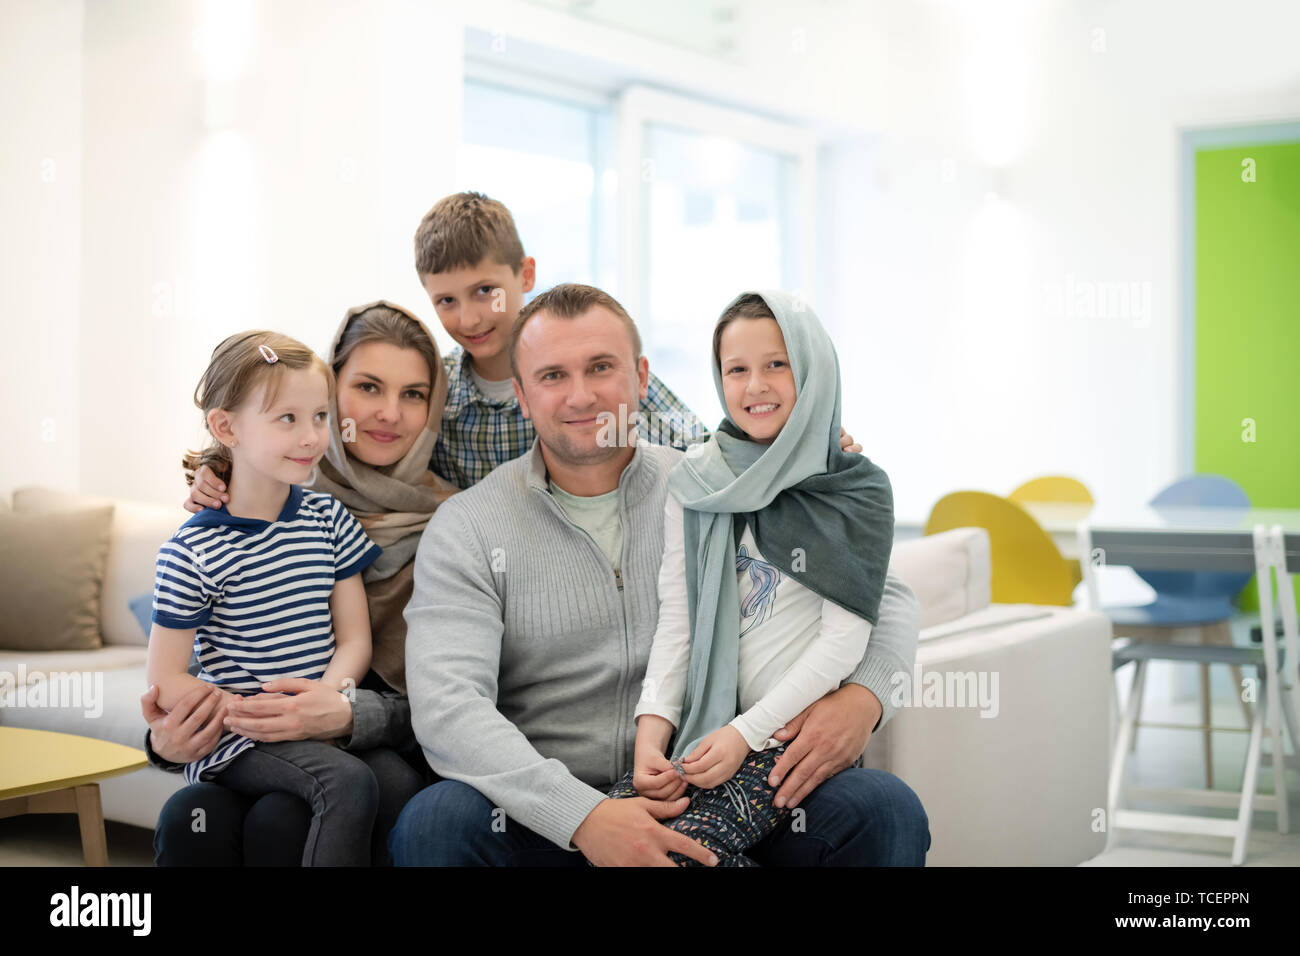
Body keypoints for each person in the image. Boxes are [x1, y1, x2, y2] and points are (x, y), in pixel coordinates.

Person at [391, 283, 929, 866]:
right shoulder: (468, 527)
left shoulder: (717, 484)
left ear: (642, 377)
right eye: (552, 376)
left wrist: (863, 698)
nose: (581, 395)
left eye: (601, 367)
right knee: (435, 822)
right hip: (547, 819)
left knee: (880, 804)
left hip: (711, 794)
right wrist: (584, 816)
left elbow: (887, 596)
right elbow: (449, 706)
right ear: (520, 395)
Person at [147, 304, 454, 865]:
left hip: (353, 725)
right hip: (249, 733)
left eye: (414, 394)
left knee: (381, 791)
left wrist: (333, 701)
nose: (312, 436)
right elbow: (169, 680)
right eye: (366, 387)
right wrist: (183, 733)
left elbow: (359, 645)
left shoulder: (450, 519)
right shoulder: (205, 537)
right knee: (195, 818)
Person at [607, 289, 894, 866]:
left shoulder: (854, 490)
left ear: (812, 372)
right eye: (736, 369)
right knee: (609, 841)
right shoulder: (697, 480)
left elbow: (844, 642)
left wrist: (747, 733)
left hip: (788, 735)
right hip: (702, 732)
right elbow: (679, 624)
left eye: (776, 365)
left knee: (668, 856)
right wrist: (650, 736)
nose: (755, 385)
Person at [413, 191, 711, 489]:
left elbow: (703, 456)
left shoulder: (601, 368)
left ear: (526, 274)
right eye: (447, 300)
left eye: (485, 291)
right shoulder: (436, 395)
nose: (469, 319)